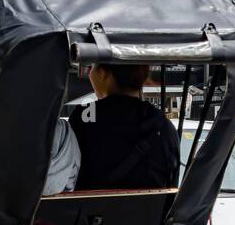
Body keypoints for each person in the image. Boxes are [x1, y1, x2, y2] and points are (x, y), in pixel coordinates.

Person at [69, 62, 177, 190]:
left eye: (92, 67)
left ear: (103, 73)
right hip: (150, 209)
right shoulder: (163, 124)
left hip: (88, 208)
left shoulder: (85, 117)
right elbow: (171, 180)